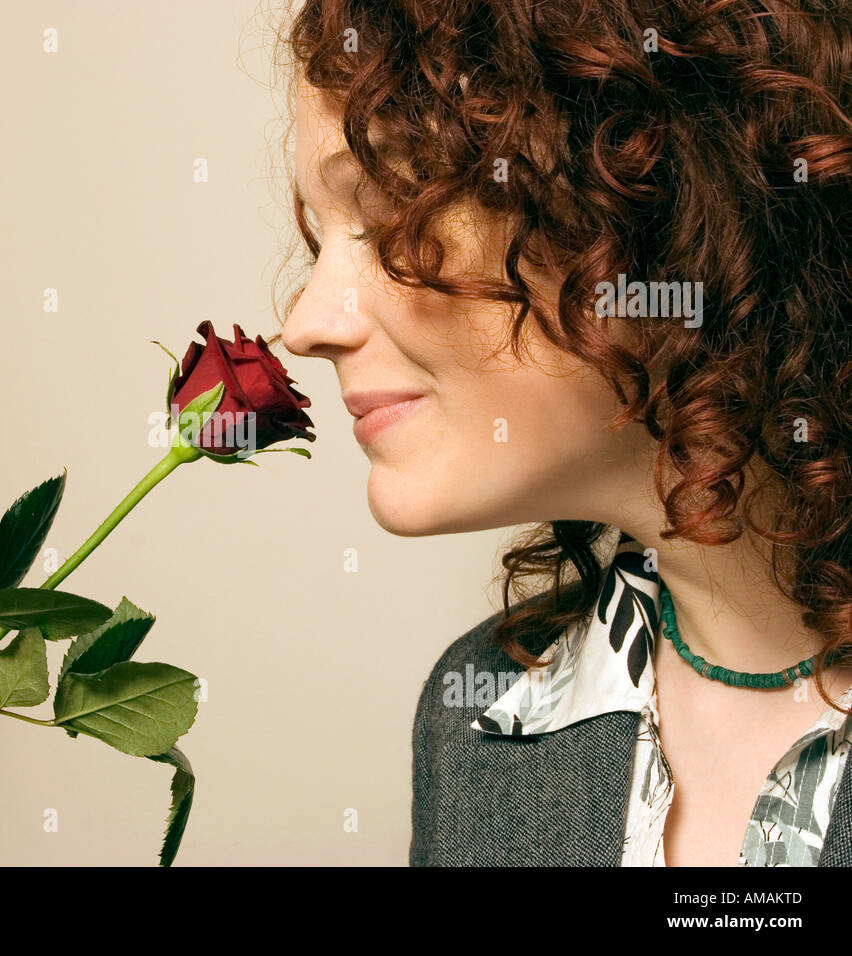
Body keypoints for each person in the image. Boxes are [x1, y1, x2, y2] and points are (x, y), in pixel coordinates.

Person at [271, 0, 852, 865]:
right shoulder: (482, 720)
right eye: (321, 238)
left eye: (390, 213)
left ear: (658, 196)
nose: (305, 322)